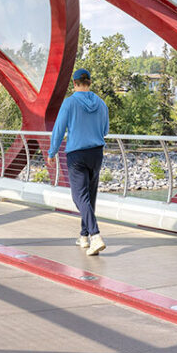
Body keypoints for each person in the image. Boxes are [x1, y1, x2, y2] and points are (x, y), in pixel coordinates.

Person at [47, 68, 109, 256]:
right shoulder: (101, 103)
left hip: (76, 155)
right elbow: (105, 130)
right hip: (96, 153)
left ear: (74, 83)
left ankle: (95, 235)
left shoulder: (70, 103)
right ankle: (84, 237)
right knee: (89, 197)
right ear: (89, 82)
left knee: (79, 197)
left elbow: (58, 129)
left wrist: (52, 152)